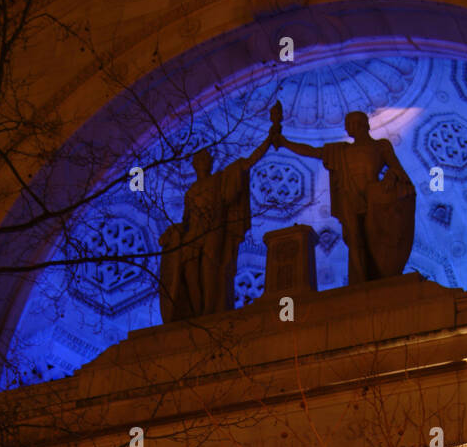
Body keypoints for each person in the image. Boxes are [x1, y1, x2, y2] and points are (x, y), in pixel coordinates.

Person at [274, 111, 416, 283]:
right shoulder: (340, 150)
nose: (350, 128)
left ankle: (379, 279)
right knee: (355, 241)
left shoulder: (381, 146)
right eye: (348, 125)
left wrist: (391, 175)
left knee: (374, 240)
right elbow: (312, 151)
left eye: (354, 123)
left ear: (365, 124)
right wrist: (285, 143)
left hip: (374, 200)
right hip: (349, 198)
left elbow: (398, 170)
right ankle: (359, 284)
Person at [160, 131, 273, 321]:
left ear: (211, 163)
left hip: (213, 233)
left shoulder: (220, 180)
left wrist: (270, 138)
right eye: (199, 161)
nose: (202, 164)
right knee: (191, 278)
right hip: (191, 238)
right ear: (194, 165)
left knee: (210, 272)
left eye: (205, 160)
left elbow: (247, 164)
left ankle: (209, 313)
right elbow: (185, 220)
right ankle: (197, 317)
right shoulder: (190, 192)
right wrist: (172, 234)